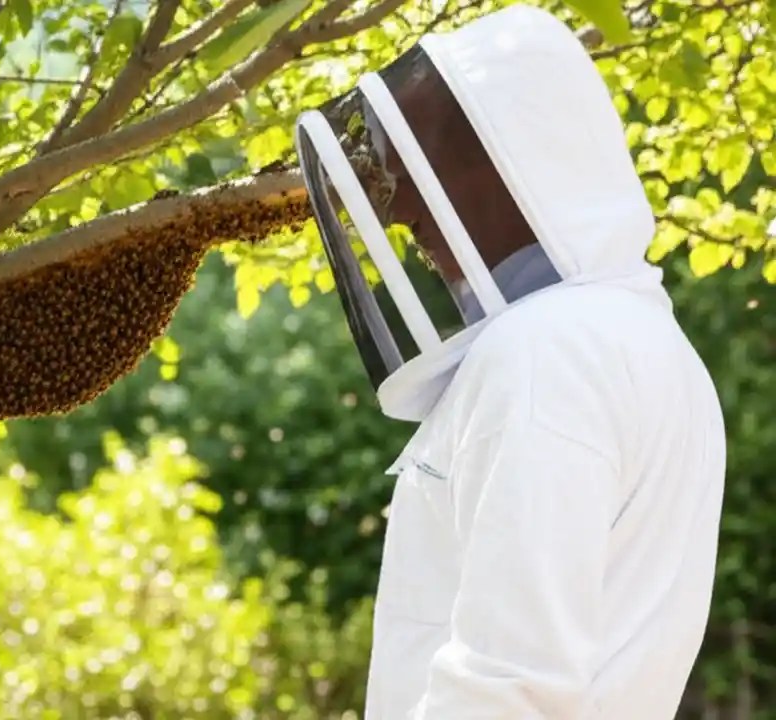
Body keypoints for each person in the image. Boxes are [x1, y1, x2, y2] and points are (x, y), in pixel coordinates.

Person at [294, 5, 726, 719]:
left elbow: (509, 682)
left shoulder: (549, 348)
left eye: (420, 160)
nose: (399, 211)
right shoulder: (640, 340)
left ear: (513, 160)